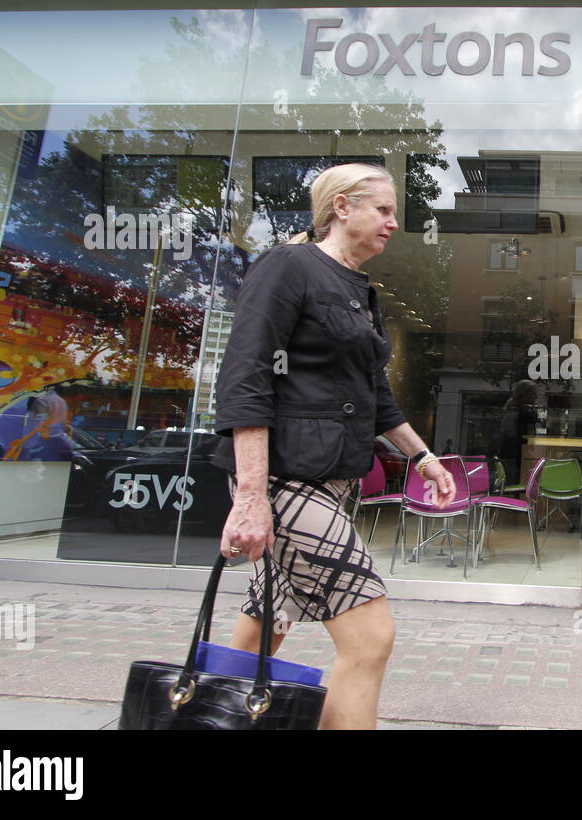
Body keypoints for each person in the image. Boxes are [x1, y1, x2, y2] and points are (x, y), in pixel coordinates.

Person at [211, 163, 456, 730]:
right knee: (370, 638)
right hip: (285, 479)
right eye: (384, 210)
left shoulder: (361, 292)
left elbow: (377, 399)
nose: (395, 222)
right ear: (342, 208)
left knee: (265, 619)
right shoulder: (288, 267)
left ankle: (212, 719)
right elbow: (245, 377)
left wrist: (422, 457)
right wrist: (250, 496)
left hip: (330, 478)